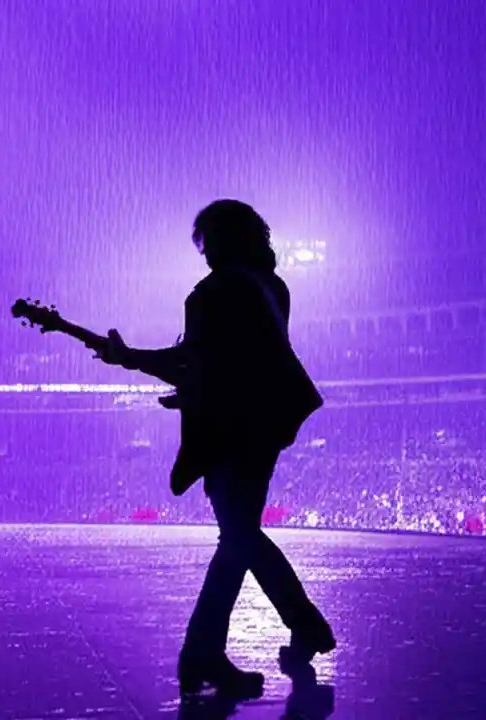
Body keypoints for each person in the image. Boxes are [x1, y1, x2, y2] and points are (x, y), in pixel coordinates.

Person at [94, 199, 335, 698]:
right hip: (261, 427)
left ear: (223, 240)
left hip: (228, 433)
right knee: (241, 536)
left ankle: (202, 655)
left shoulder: (211, 293)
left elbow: (197, 363)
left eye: (206, 244)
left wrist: (129, 358)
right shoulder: (272, 288)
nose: (203, 255)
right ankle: (300, 628)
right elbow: (239, 364)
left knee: (237, 540)